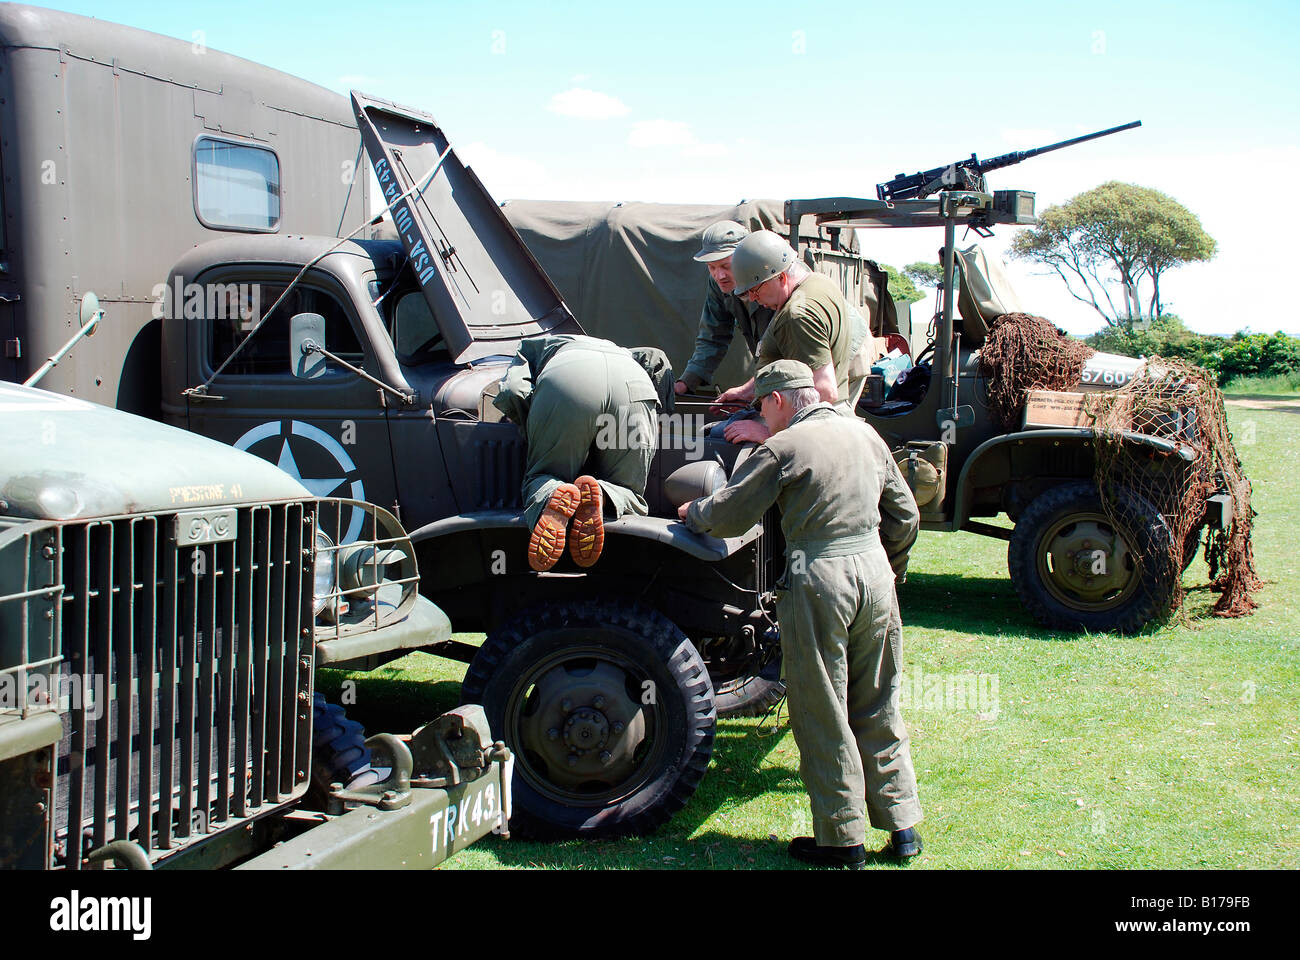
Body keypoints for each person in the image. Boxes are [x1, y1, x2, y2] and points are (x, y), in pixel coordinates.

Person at [678, 359, 924, 867]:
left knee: (822, 707)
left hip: (819, 581)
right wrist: (887, 570)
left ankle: (842, 840)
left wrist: (693, 513)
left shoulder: (783, 447)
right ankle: (903, 829)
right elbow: (906, 516)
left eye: (762, 408)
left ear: (778, 401)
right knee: (878, 700)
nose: (763, 418)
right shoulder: (866, 434)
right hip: (875, 577)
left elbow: (730, 514)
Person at [492, 334, 660, 572]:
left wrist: (530, 422)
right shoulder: (630, 352)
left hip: (569, 380)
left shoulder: (536, 346)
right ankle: (603, 494)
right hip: (635, 385)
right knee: (628, 489)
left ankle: (554, 492)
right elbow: (660, 363)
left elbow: (512, 391)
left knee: (544, 474)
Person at [713, 230, 870, 445]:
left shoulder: (796, 316)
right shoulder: (816, 283)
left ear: (781, 277)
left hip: (818, 433)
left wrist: (769, 435)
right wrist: (749, 391)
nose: (752, 299)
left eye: (755, 290)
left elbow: (822, 391)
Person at [673, 220, 775, 396]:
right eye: (711, 267)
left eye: (726, 266)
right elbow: (713, 336)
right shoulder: (719, 284)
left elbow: (783, 353)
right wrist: (685, 383)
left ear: (746, 259)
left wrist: (748, 390)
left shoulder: (772, 282)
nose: (719, 276)